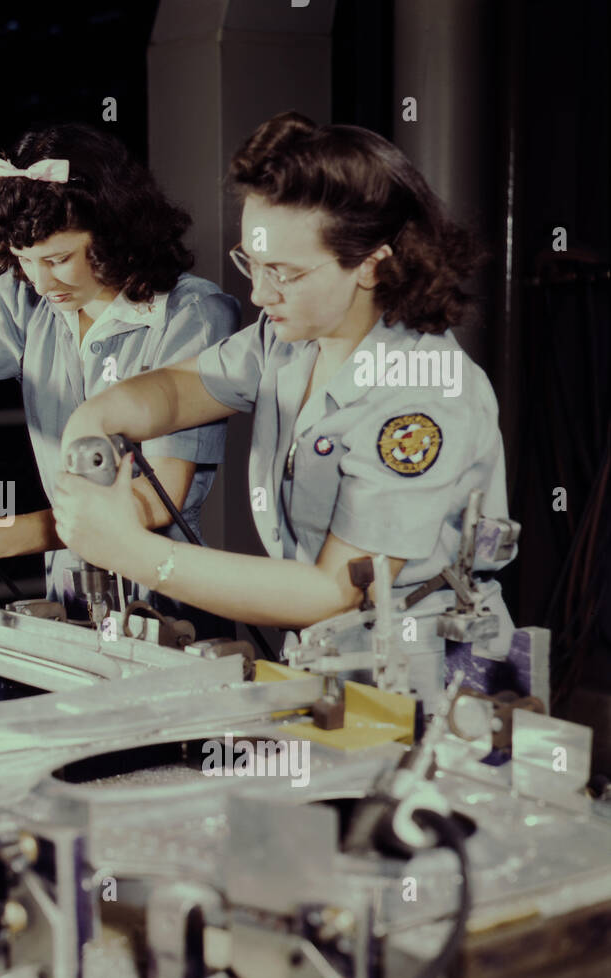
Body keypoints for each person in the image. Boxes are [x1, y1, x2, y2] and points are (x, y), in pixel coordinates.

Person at [53, 111, 515, 698]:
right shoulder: (290, 340)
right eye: (252, 262)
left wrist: (136, 553)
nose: (258, 293)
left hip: (427, 680)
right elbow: (173, 390)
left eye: (286, 273)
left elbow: (333, 590)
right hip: (329, 658)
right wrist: (93, 418)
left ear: (373, 263)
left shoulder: (423, 397)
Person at [0, 124, 238, 624]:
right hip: (67, 597)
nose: (41, 280)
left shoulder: (193, 315)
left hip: (167, 595)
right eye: (23, 260)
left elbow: (152, 501)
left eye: (59, 259)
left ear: (113, 233)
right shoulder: (24, 298)